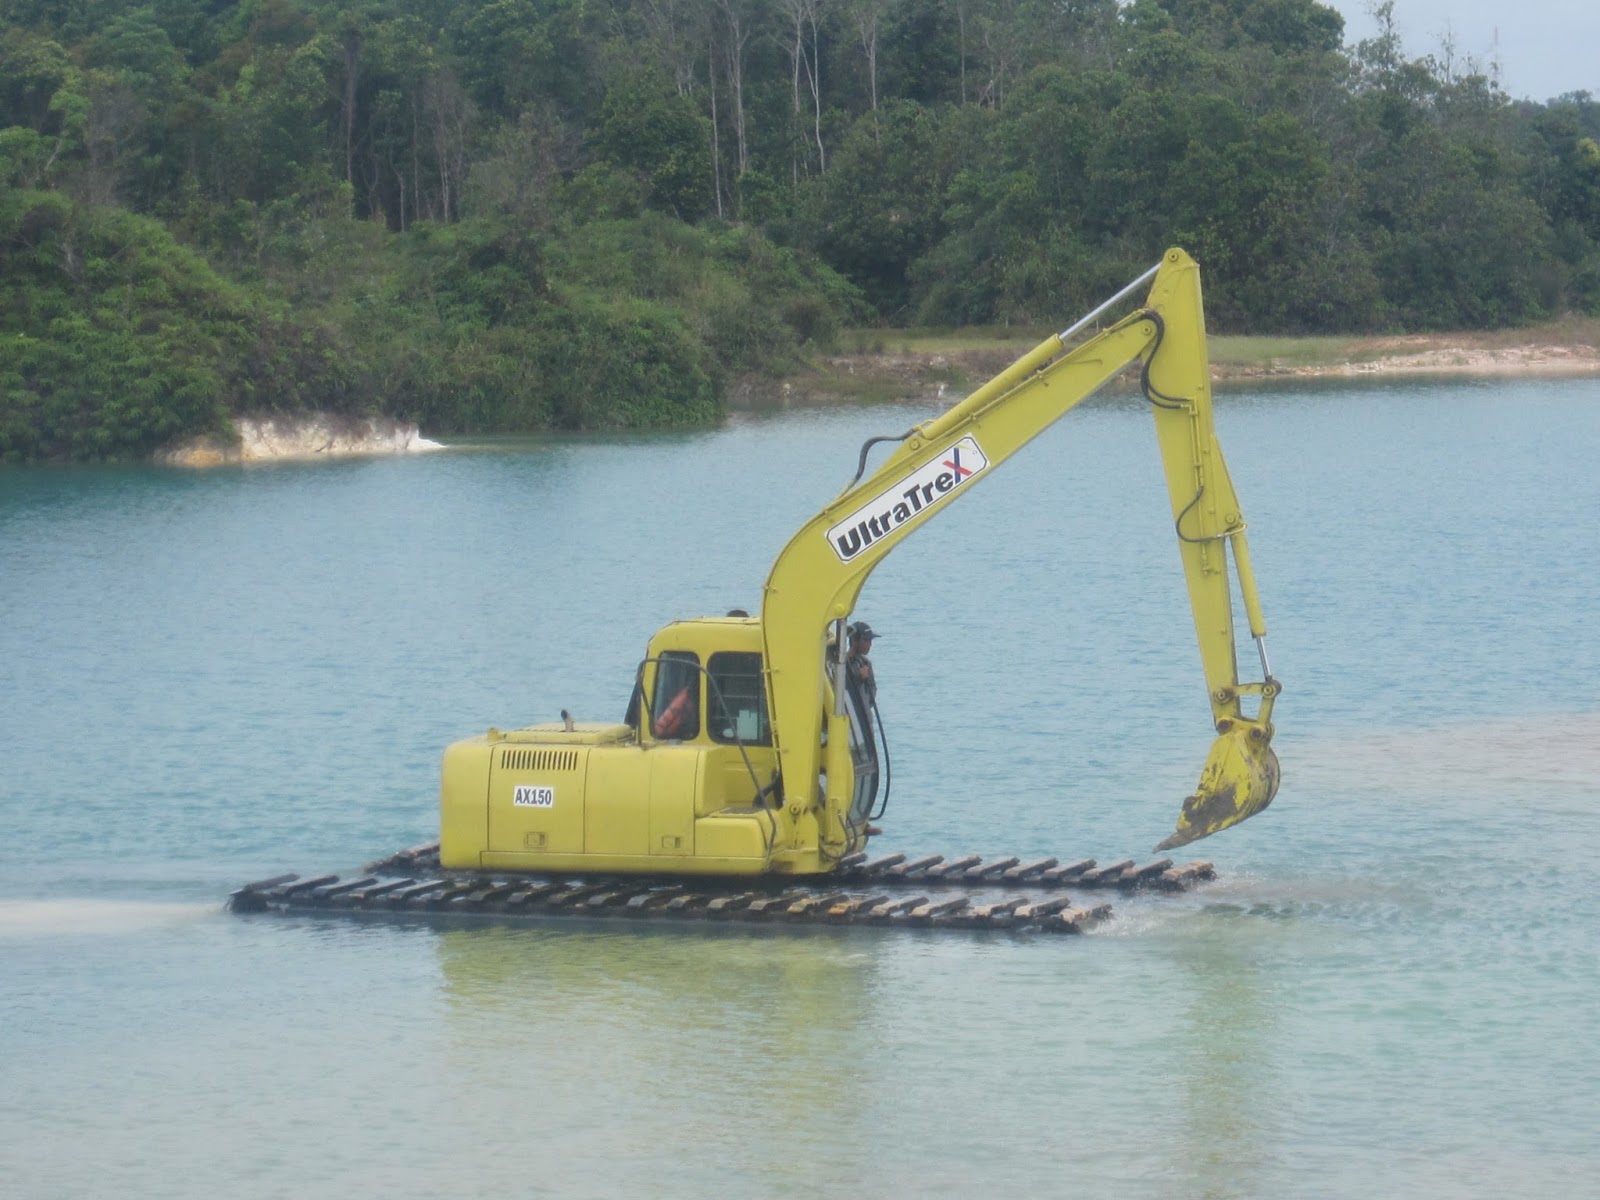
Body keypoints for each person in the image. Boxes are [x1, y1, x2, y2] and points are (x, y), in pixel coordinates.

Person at [846, 621, 879, 706]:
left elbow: (873, 689)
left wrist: (865, 705)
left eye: (870, 640)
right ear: (854, 640)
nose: (870, 644)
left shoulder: (866, 663)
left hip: (863, 714)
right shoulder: (843, 664)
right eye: (866, 640)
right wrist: (858, 678)